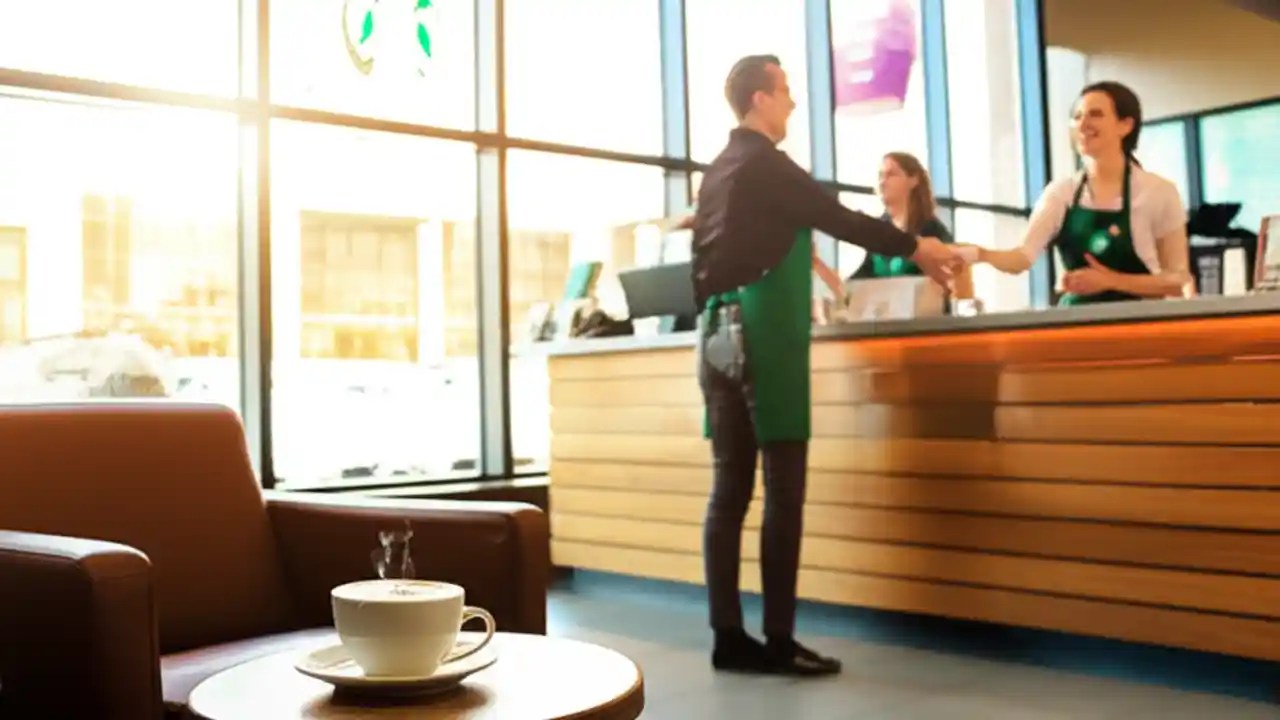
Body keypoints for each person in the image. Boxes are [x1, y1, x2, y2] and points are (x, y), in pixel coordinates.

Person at [689, 54, 957, 677]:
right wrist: (915, 244)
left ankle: (729, 638)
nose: (791, 105)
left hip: (713, 336)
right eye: (784, 93)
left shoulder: (720, 171)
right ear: (760, 98)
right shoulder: (765, 164)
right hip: (763, 333)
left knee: (728, 492)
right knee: (785, 490)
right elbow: (836, 217)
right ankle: (779, 640)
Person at [965, 81, 1190, 304]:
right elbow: (1022, 258)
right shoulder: (1061, 192)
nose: (1083, 124)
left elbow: (1177, 280)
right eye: (1077, 116)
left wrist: (1111, 281)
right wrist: (979, 254)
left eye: (1095, 114)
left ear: (1125, 125)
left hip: (1141, 325)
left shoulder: (1158, 192)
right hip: (1076, 322)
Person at [848, 152, 953, 280]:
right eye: (880, 176)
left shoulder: (932, 230)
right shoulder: (878, 230)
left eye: (891, 174)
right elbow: (864, 275)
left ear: (914, 180)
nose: (882, 182)